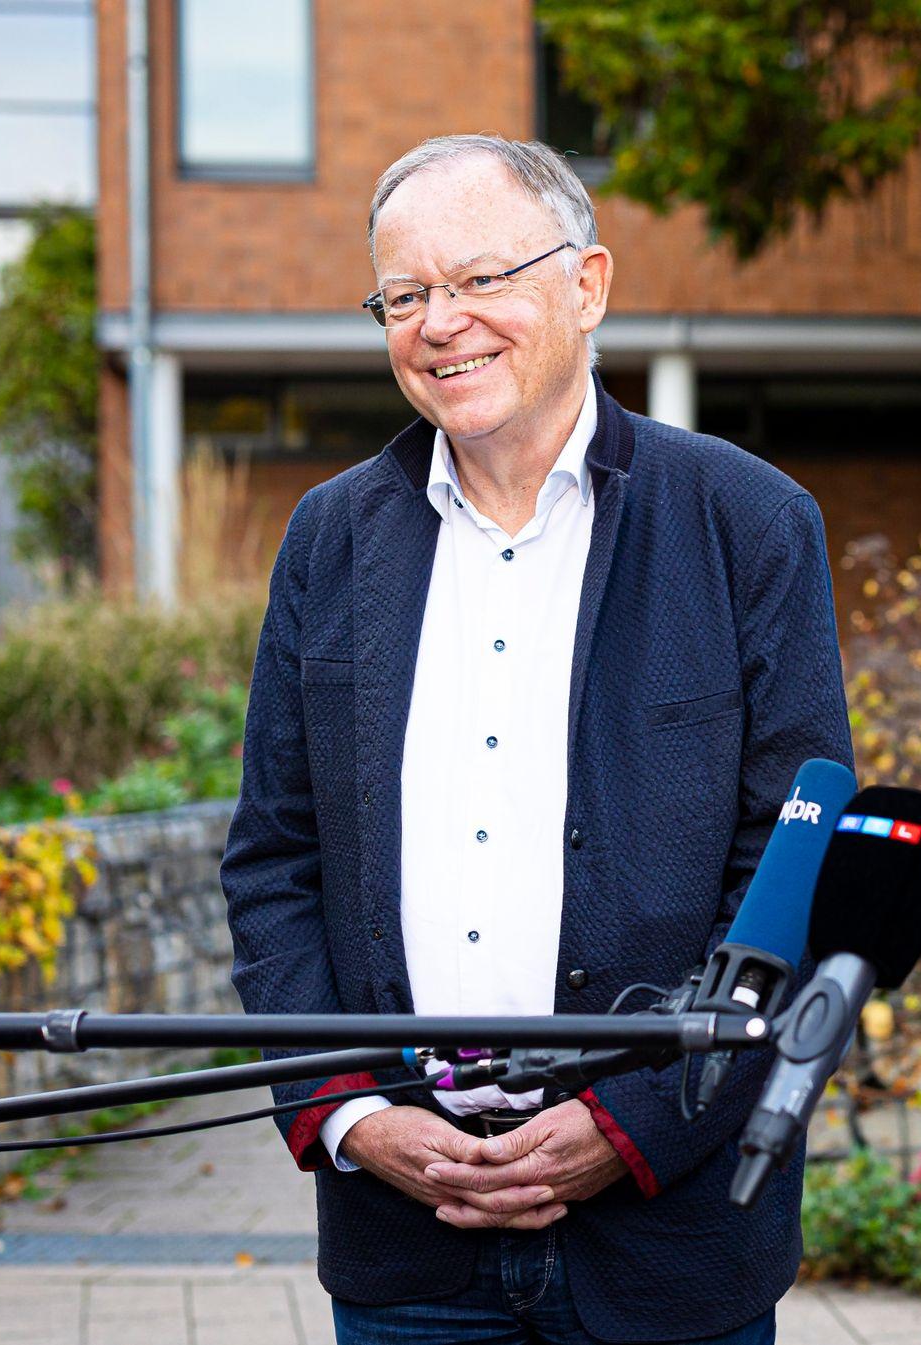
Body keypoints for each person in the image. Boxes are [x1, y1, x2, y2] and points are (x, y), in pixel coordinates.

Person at [221, 134, 853, 1345]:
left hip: (670, 1242)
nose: (439, 322)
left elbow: (794, 871)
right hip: (407, 1244)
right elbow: (274, 860)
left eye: (478, 278)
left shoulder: (746, 520)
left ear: (587, 284)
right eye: (403, 296)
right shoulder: (330, 539)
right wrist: (350, 1115)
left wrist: (632, 1125)